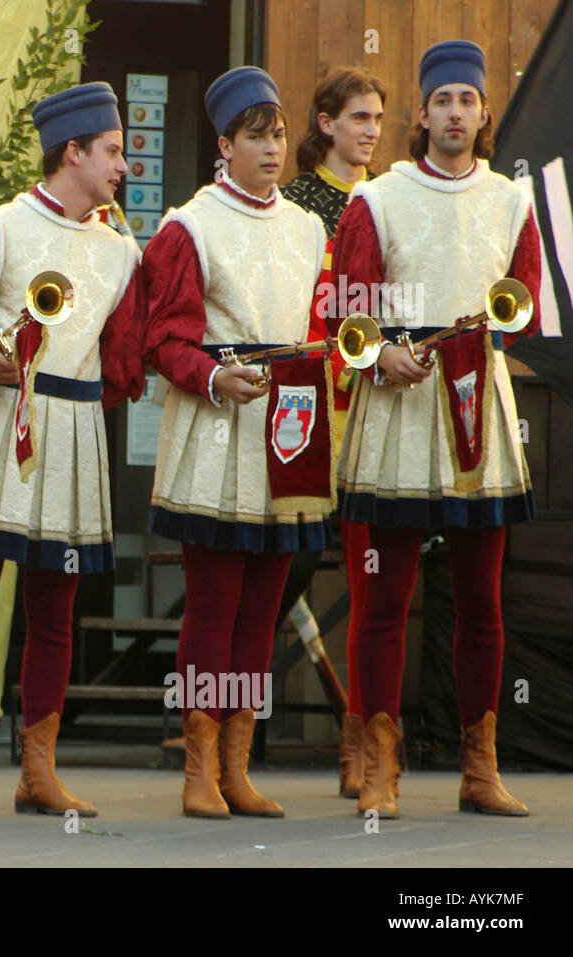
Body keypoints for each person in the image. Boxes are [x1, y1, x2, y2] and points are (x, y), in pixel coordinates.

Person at [0, 81, 145, 819]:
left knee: (56, 609)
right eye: (111, 151)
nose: (122, 166)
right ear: (71, 152)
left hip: (72, 432)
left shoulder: (120, 250)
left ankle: (37, 769)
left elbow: (124, 360)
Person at [329, 41, 540, 819]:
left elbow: (522, 304)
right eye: (441, 100)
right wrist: (380, 351)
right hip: (396, 406)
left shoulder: (512, 202)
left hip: (476, 409)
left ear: (484, 113)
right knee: (384, 600)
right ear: (419, 113)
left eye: (467, 100)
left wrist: (480, 343)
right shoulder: (375, 200)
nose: (454, 113)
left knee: (484, 602)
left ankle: (478, 766)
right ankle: (381, 765)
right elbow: (341, 310)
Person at [142, 67, 328, 819]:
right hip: (216, 425)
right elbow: (165, 336)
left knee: (264, 608)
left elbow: (318, 327)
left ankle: (237, 764)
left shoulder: (311, 228)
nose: (272, 148)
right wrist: (216, 379)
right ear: (224, 144)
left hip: (289, 428)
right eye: (256, 135)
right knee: (213, 607)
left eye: (278, 133)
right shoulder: (188, 225)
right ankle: (197, 766)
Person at [280, 66, 386, 799]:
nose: (371, 131)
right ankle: (223, 722)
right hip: (305, 411)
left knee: (370, 572)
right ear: (325, 124)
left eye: (378, 118)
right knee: (283, 567)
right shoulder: (292, 206)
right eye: (357, 118)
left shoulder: (386, 202)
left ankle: (363, 741)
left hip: (375, 410)